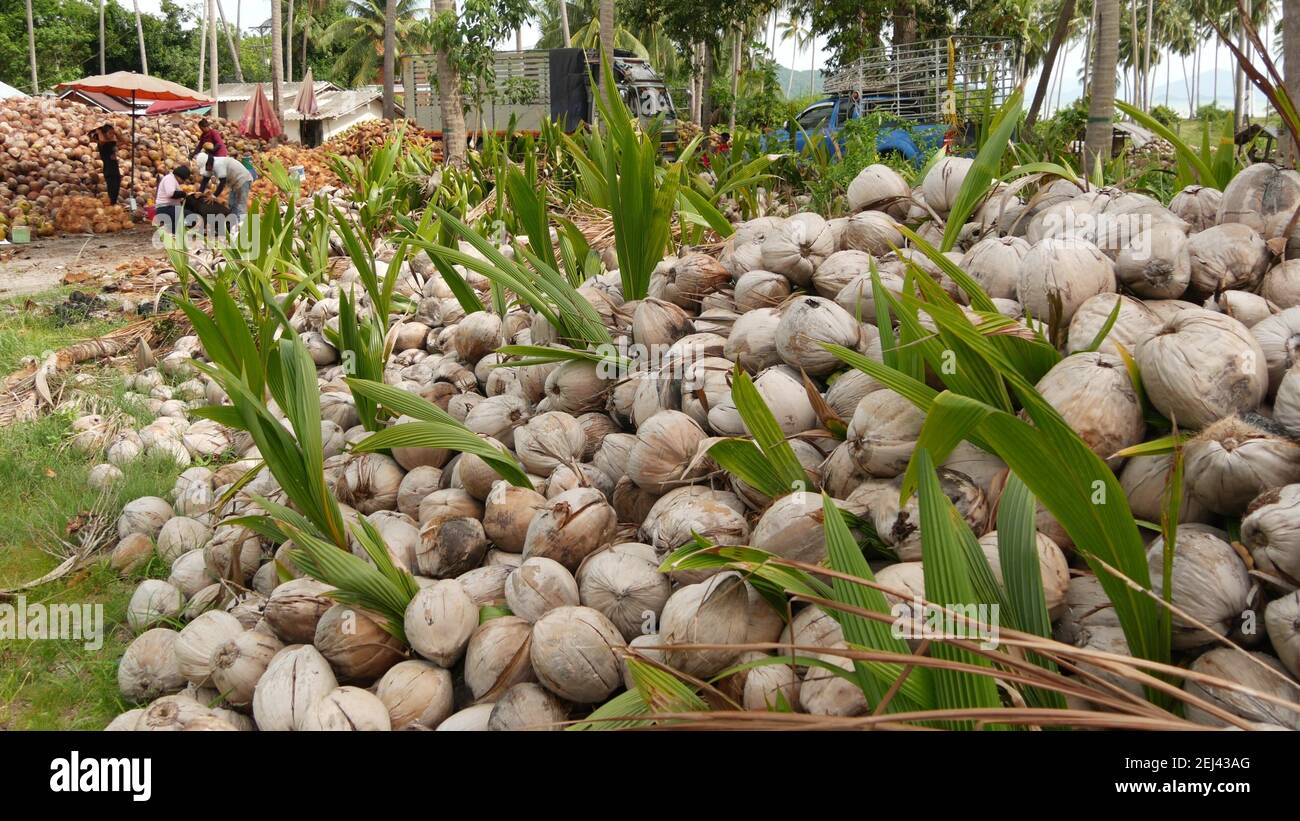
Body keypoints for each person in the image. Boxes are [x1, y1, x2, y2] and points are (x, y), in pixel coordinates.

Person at [197, 151, 253, 223]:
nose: (207, 169)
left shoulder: (218, 164)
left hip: (243, 179)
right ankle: (234, 224)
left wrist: (214, 196)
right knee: (231, 204)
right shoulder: (210, 166)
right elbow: (205, 180)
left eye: (206, 167)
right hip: (234, 183)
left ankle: (242, 226)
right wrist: (200, 192)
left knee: (240, 204)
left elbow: (222, 183)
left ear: (208, 163)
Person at [89, 124, 122, 205]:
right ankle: (112, 203)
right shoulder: (102, 143)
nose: (112, 135)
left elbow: (122, 141)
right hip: (109, 168)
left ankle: (113, 202)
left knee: (117, 185)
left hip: (114, 167)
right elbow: (102, 140)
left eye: (112, 133)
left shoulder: (111, 142)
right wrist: (99, 131)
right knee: (112, 187)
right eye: (110, 133)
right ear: (104, 133)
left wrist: (116, 133)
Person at [154, 165, 191, 235]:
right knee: (189, 215)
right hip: (165, 208)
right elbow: (171, 194)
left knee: (177, 226)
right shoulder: (169, 179)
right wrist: (183, 194)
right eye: (183, 179)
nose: (183, 182)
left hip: (171, 208)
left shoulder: (172, 179)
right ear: (179, 176)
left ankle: (172, 232)